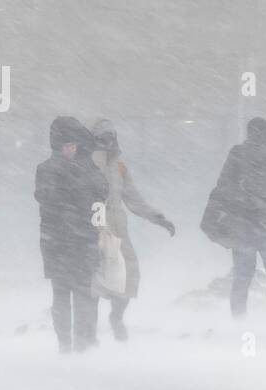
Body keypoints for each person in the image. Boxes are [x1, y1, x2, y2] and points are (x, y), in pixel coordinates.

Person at [88, 118, 175, 341]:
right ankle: (89, 329)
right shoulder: (88, 163)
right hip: (95, 225)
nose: (107, 141)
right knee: (97, 278)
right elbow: (87, 199)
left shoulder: (119, 165)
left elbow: (133, 198)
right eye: (102, 137)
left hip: (119, 227)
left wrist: (157, 217)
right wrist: (100, 230)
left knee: (128, 273)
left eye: (110, 136)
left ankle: (116, 318)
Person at [211, 117, 266, 317]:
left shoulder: (239, 154)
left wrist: (225, 215)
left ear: (249, 132)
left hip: (243, 226)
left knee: (242, 278)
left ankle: (239, 324)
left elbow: (224, 188)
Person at [35, 117, 108, 353]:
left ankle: (75, 345)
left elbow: (98, 204)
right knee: (73, 294)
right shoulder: (73, 170)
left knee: (73, 294)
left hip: (63, 243)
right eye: (68, 146)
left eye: (73, 146)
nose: (71, 150)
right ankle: (72, 345)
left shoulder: (50, 169)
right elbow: (96, 201)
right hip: (70, 242)